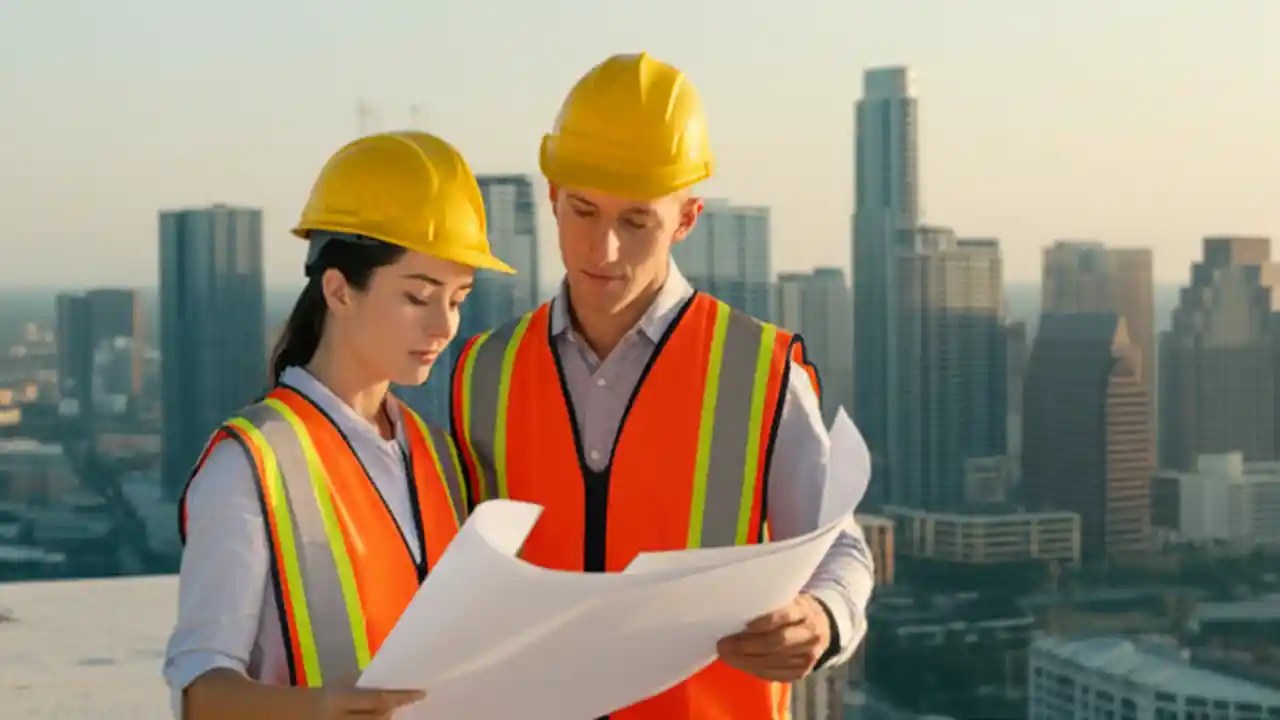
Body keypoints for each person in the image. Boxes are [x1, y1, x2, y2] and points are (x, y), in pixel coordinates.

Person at [449, 52, 876, 719]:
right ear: (553, 194)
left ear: (686, 218)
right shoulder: (482, 371)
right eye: (584, 211)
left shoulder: (759, 371)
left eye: (636, 222)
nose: (604, 249)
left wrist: (822, 617)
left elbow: (838, 545)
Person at [163, 130, 516, 719]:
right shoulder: (251, 463)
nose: (443, 326)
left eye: (456, 299)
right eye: (417, 296)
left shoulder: (441, 459)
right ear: (338, 291)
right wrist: (317, 709)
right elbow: (200, 689)